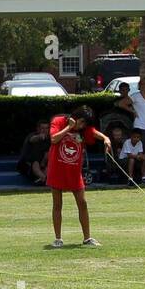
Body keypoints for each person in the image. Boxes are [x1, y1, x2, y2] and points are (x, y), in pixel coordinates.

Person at [46, 106, 111, 248]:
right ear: (75, 116)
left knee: (83, 203)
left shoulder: (83, 130)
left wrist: (106, 139)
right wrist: (69, 127)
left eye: (84, 124)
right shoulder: (59, 121)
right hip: (57, 169)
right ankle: (58, 239)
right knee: (57, 205)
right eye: (81, 122)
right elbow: (54, 139)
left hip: (74, 172)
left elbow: (94, 133)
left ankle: (87, 238)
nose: (81, 126)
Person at [16, 119, 50, 185]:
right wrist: (39, 137)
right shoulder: (32, 135)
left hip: (42, 164)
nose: (44, 130)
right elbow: (32, 139)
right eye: (42, 128)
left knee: (49, 161)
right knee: (35, 162)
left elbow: (47, 154)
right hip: (26, 165)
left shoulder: (49, 139)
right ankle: (44, 178)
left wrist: (43, 162)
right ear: (38, 129)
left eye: (46, 128)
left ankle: (43, 179)